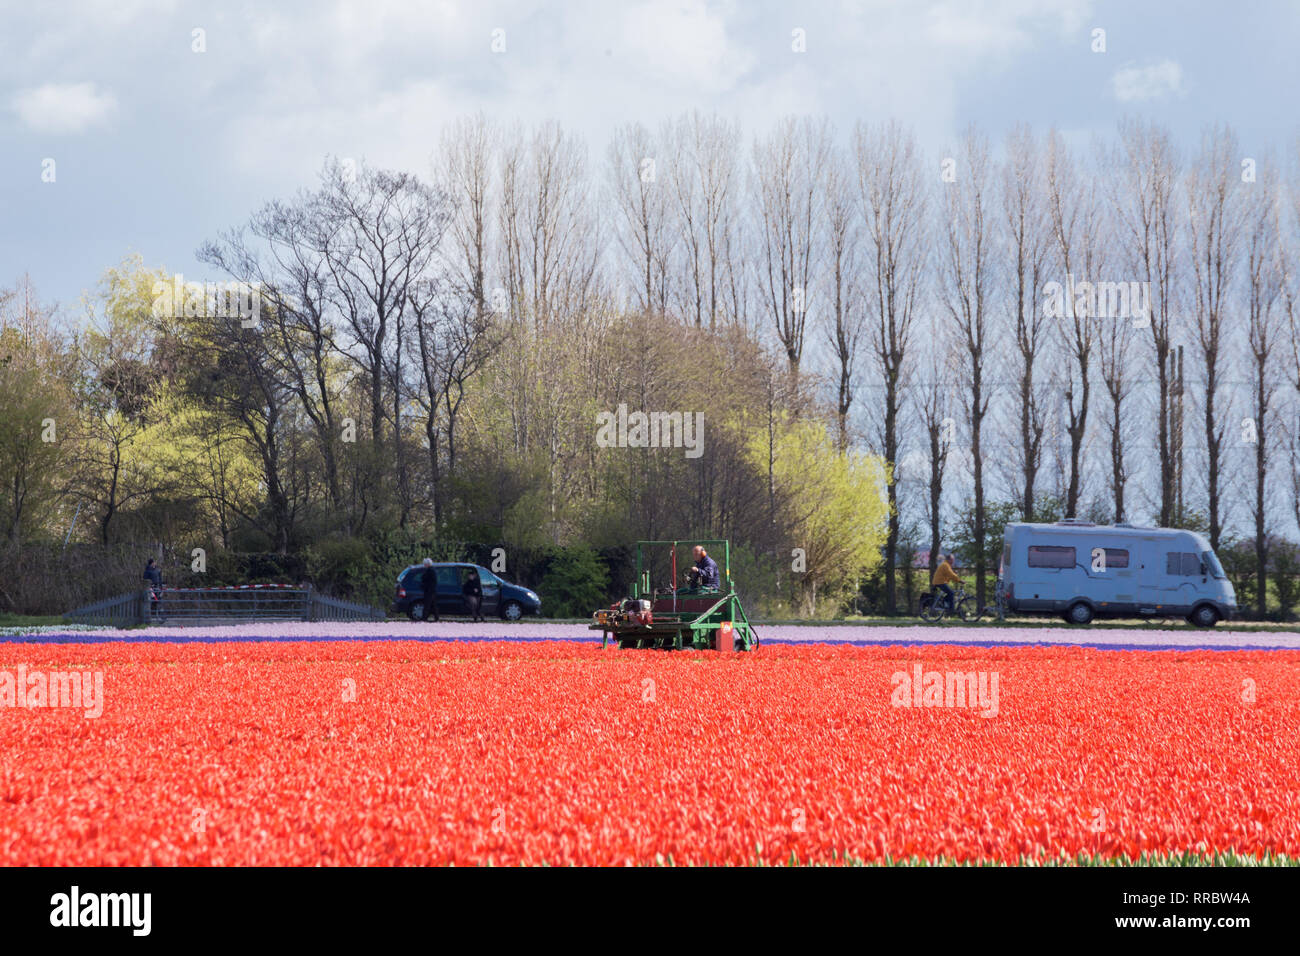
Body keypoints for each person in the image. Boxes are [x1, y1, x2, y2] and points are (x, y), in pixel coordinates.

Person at [419, 557, 439, 622]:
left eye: (424, 564)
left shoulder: (430, 571)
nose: (424, 565)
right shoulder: (432, 570)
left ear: (427, 564)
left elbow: (424, 578)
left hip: (429, 591)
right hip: (432, 590)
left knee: (427, 605)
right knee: (433, 605)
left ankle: (424, 618)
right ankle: (436, 617)